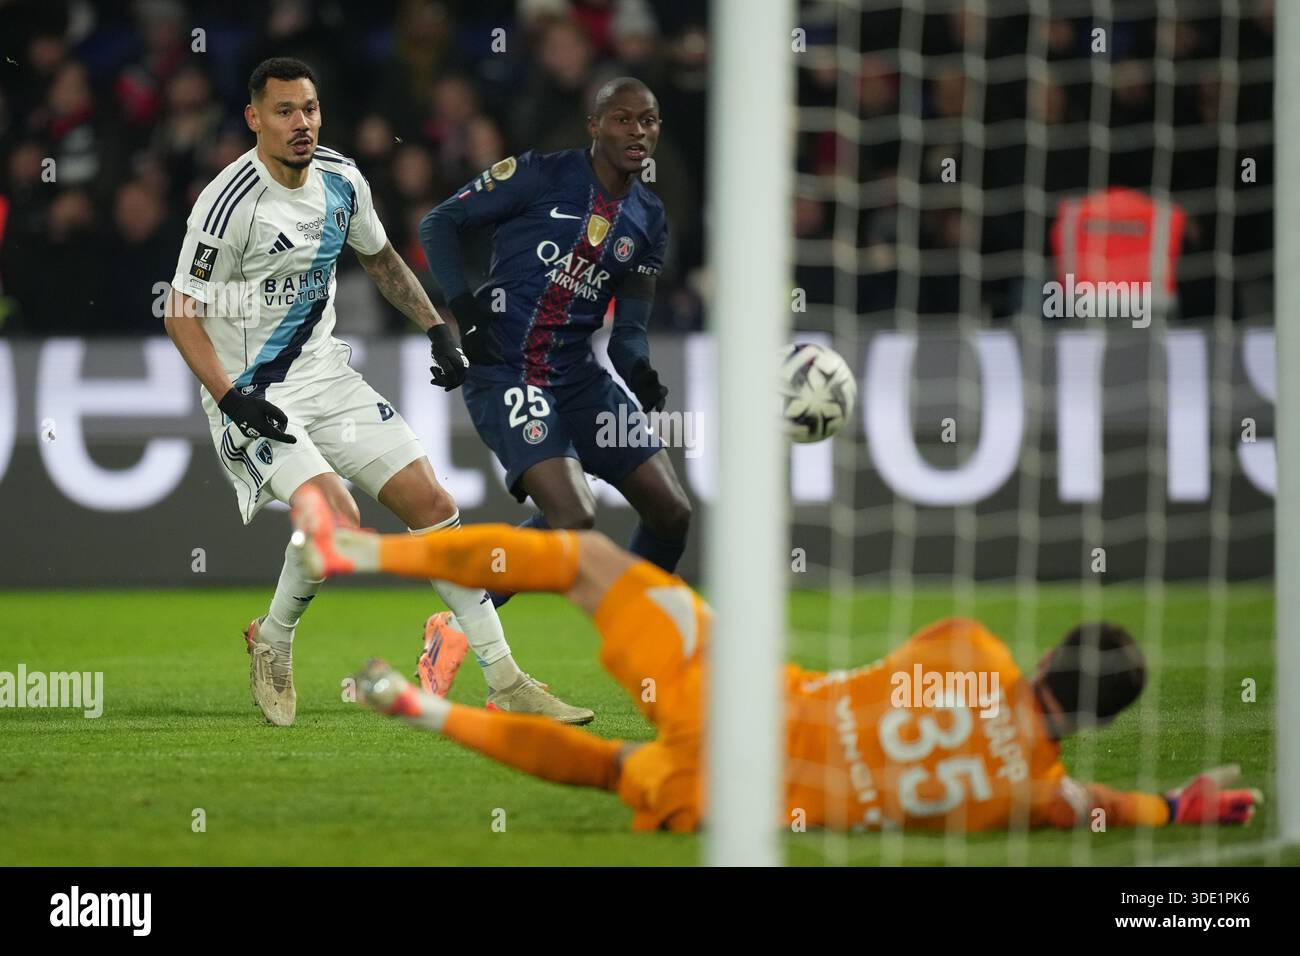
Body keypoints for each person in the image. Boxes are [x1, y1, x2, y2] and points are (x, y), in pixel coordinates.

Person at [290, 486, 1263, 832]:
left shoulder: (969, 646)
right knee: (614, 770)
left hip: (736, 694)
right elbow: (1093, 804)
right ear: (1093, 721)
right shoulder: (1025, 799)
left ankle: (363, 551)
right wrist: (1174, 805)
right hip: (746, 795)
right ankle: (414, 706)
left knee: (578, 558)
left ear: (1048, 651)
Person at [164, 56, 592, 727]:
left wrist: (436, 328)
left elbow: (382, 258)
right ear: (254, 119)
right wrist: (229, 399)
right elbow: (180, 311)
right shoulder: (229, 202)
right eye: (283, 111)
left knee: (433, 504)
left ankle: (505, 680)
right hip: (251, 393)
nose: (300, 123)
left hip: (327, 376)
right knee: (337, 523)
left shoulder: (340, 178)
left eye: (308, 108)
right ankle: (273, 638)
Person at [418, 76, 691, 609]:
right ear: (594, 126)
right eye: (622, 119)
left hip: (577, 376)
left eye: (649, 120)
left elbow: (627, 332)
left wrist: (639, 372)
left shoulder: (649, 219)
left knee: (672, 511)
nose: (637, 131)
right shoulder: (540, 174)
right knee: (574, 517)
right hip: (505, 367)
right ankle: (462, 620)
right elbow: (439, 223)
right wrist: (466, 313)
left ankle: (634, 624)